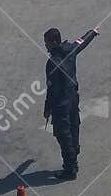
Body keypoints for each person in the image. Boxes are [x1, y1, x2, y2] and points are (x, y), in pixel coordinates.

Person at [42, 25, 100, 180]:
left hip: (61, 104)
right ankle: (74, 157)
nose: (45, 45)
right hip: (73, 99)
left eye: (47, 42)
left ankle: (70, 169)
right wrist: (92, 33)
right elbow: (82, 42)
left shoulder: (52, 62)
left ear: (54, 42)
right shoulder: (70, 50)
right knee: (74, 127)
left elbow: (51, 88)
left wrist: (47, 108)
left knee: (63, 134)